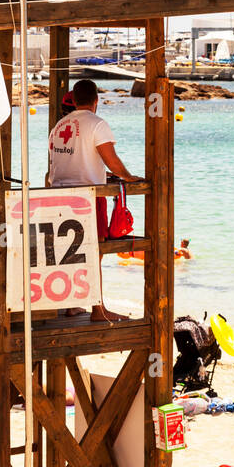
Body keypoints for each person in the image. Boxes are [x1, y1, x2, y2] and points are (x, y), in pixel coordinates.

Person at [46, 78, 142, 322]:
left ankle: (72, 304)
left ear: (74, 100)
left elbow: (59, 166)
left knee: (70, 252)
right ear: (96, 101)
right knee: (94, 253)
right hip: (88, 199)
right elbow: (111, 159)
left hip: (58, 198)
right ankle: (99, 310)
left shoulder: (58, 127)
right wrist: (128, 177)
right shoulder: (97, 124)